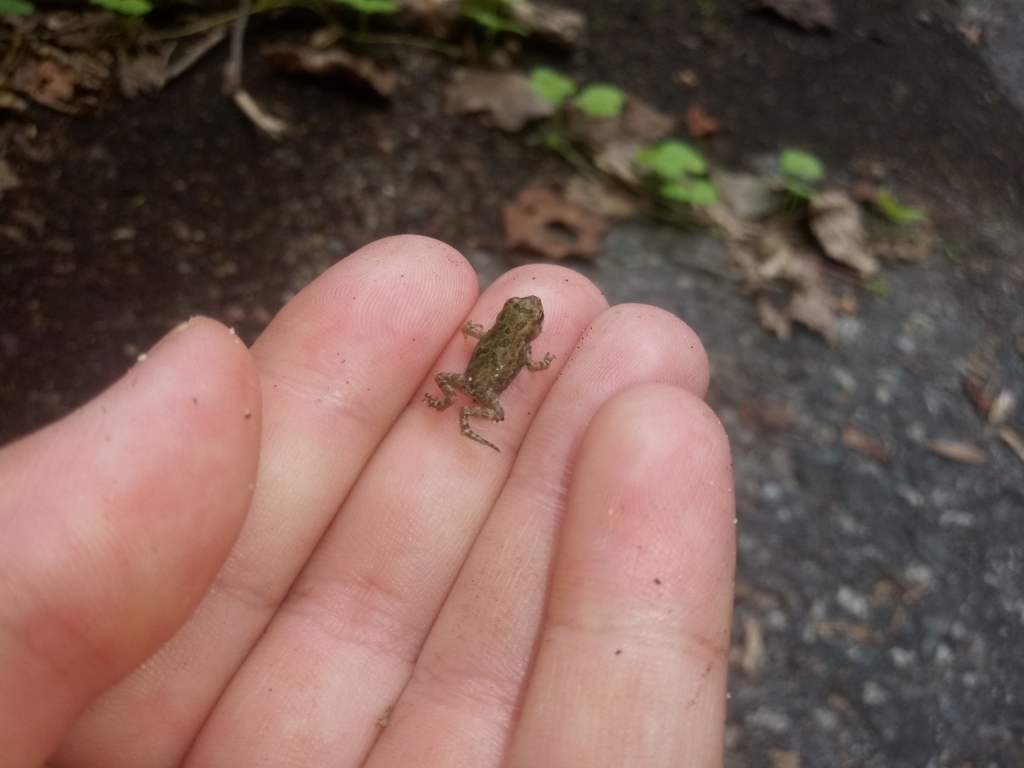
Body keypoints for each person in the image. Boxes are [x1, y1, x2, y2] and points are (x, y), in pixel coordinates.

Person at [0, 236, 735, 768]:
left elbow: (488, 338)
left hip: (471, 386)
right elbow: (526, 358)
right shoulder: (516, 344)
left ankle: (468, 421)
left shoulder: (493, 335)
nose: (528, 334)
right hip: (480, 394)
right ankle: (474, 426)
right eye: (529, 328)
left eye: (528, 329)